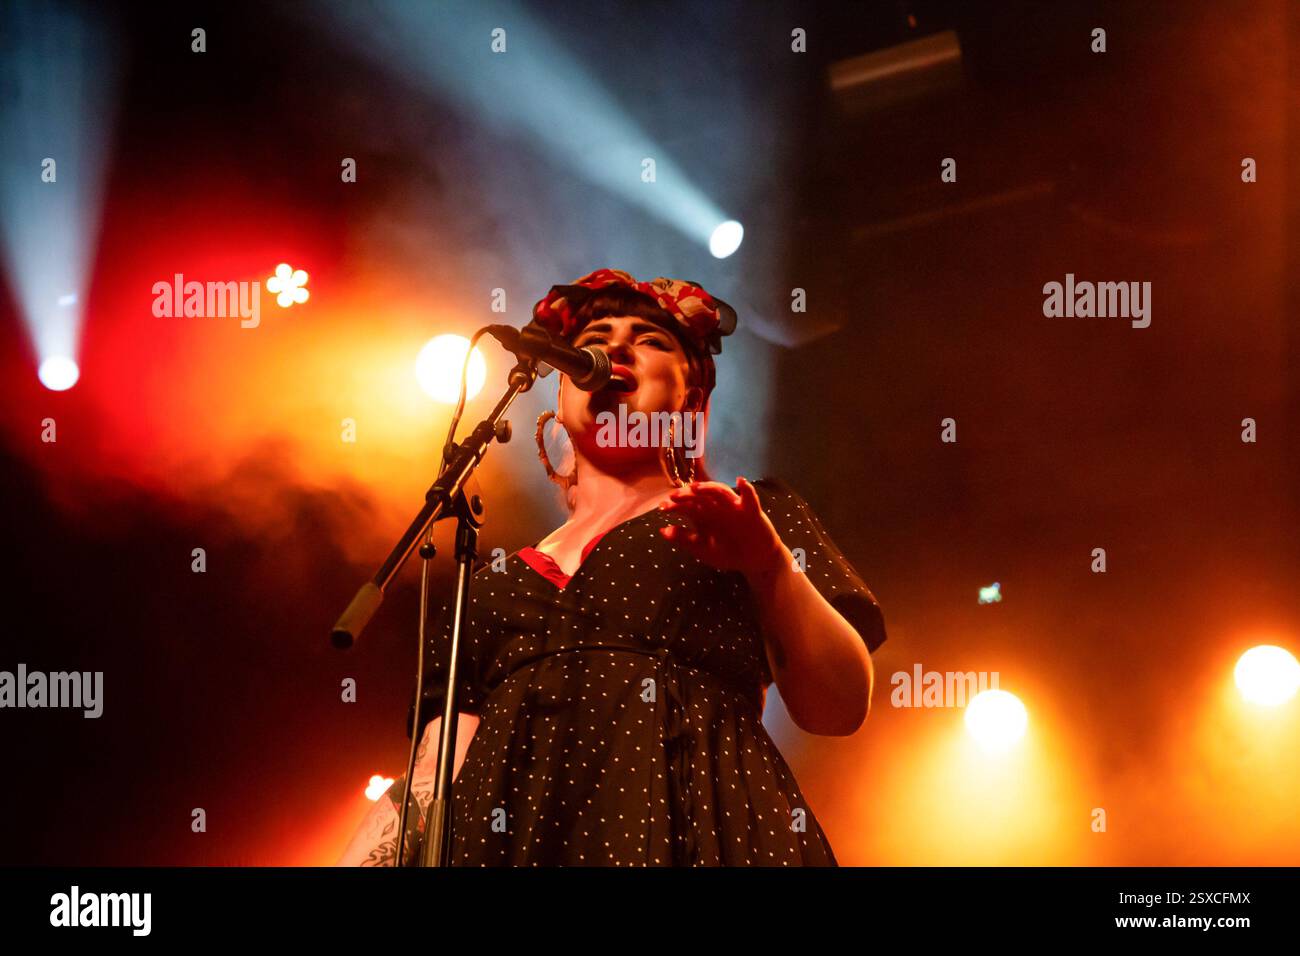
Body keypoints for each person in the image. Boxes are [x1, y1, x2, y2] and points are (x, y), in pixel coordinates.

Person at [338, 268, 886, 866]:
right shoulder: (492, 581)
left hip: (702, 826)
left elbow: (840, 707)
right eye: (596, 336)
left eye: (651, 340)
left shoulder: (748, 514)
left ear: (693, 400)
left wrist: (771, 566)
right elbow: (433, 774)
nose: (616, 347)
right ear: (561, 393)